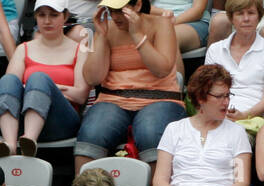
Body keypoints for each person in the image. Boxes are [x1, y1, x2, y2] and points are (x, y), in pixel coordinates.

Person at [149, 66, 255, 186]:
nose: (226, 102)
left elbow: (242, 183)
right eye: (220, 97)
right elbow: (159, 182)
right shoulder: (174, 129)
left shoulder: (236, 132)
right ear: (201, 98)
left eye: (228, 95)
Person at [73, 0, 183, 175]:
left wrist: (138, 35)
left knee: (150, 133)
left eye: (120, 11)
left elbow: (162, 69)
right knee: (92, 133)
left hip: (159, 98)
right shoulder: (107, 28)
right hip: (113, 99)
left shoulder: (161, 24)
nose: (115, 17)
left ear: (137, 5)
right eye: (110, 10)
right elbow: (93, 78)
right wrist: (101, 36)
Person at [0, 0, 88, 157]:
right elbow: (10, 88)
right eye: (42, 15)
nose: (47, 21)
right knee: (7, 80)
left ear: (65, 16)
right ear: (36, 17)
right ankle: (10, 143)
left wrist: (49, 89)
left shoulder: (80, 50)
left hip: (61, 120)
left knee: (39, 79)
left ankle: (30, 139)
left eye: (54, 15)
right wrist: (53, 89)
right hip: (23, 118)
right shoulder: (23, 49)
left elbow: (81, 95)